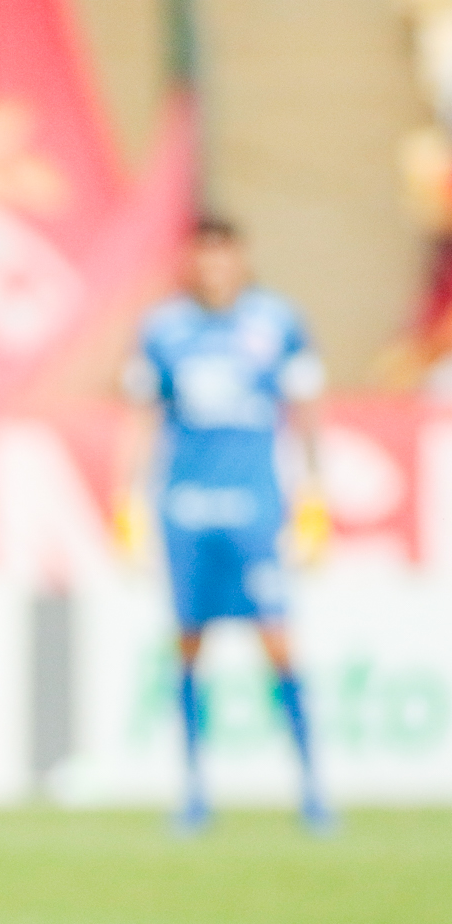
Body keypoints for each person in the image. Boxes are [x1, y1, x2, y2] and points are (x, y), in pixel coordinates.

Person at [117, 216, 333, 833]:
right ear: (191, 262)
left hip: (255, 504)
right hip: (184, 506)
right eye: (202, 256)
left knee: (278, 641)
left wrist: (315, 493)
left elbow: (306, 407)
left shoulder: (278, 322)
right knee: (188, 645)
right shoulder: (163, 328)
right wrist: (126, 498)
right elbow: (142, 416)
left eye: (223, 255)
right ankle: (192, 791)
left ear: (241, 258)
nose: (213, 267)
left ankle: (313, 787)